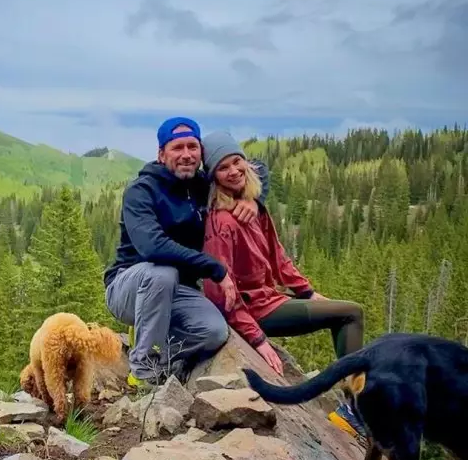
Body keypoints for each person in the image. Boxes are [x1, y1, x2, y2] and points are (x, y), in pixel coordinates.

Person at [199, 130, 366, 437]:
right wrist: (256, 338)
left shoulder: (253, 207)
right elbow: (219, 289)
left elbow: (279, 258)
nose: (233, 171)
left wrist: (307, 291)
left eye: (237, 162)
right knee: (350, 313)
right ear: (214, 178)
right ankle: (357, 410)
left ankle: (356, 406)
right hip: (256, 310)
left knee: (345, 312)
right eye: (223, 168)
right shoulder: (221, 223)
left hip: (269, 299)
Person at [103, 116, 270, 387]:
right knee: (162, 273)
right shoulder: (141, 191)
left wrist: (255, 199)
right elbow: (152, 246)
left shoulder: (201, 185)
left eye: (192, 147)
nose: (186, 155)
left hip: (180, 290)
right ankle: (142, 374)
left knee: (214, 332)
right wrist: (215, 268)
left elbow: (258, 169)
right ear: (161, 154)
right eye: (177, 148)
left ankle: (162, 360)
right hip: (129, 288)